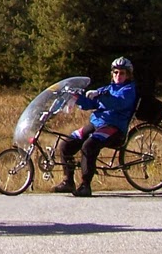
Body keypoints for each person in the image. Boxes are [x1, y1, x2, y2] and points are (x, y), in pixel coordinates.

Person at [52, 56, 138, 197]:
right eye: (116, 72)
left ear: (128, 74)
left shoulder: (128, 89)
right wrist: (76, 98)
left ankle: (85, 185)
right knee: (67, 144)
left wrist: (99, 96)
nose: (118, 76)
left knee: (89, 146)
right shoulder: (108, 88)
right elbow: (90, 104)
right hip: (96, 123)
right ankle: (68, 181)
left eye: (122, 73)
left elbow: (117, 103)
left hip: (114, 126)